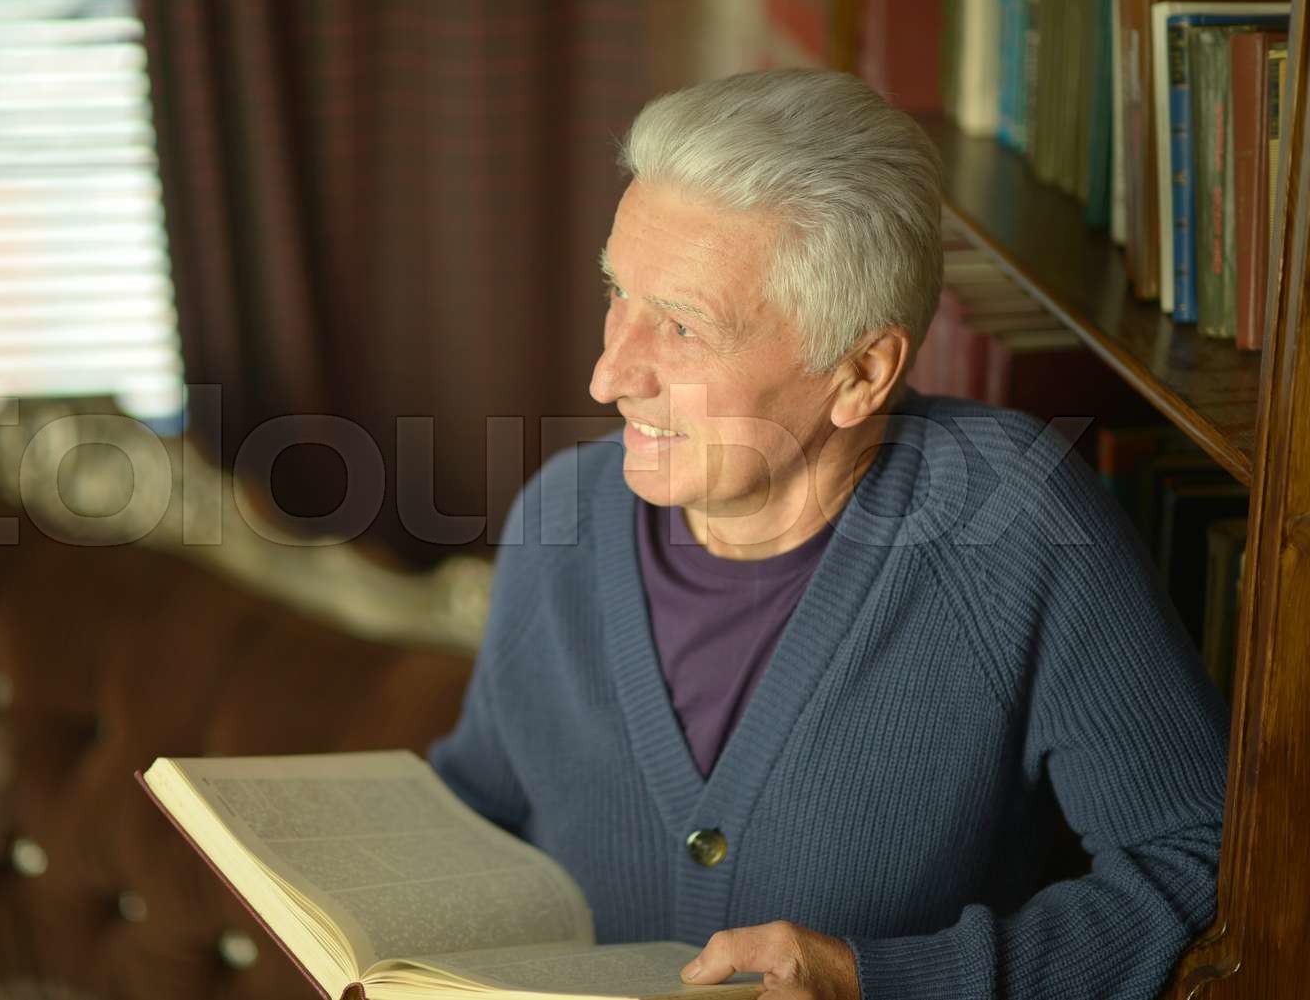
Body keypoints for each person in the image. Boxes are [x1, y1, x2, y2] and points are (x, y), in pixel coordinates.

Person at [426, 68, 1228, 1000]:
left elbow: (1199, 856)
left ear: (859, 371)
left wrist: (882, 982)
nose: (610, 375)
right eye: (618, 292)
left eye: (682, 327)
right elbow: (479, 807)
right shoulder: (558, 519)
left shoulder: (1017, 526)